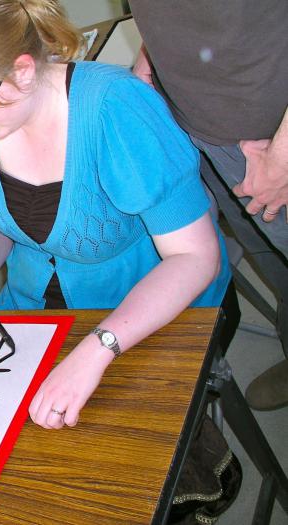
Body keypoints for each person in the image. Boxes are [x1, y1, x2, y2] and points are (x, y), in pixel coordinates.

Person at [0, 0, 231, 429]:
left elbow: (195, 258)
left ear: (24, 70)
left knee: (122, 448)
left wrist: (97, 349)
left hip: (140, 309)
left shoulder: (115, 109)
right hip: (38, 308)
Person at [128, 0, 288, 411]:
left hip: (271, 138)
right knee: (270, 257)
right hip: (203, 125)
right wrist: (155, 48)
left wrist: (285, 154)